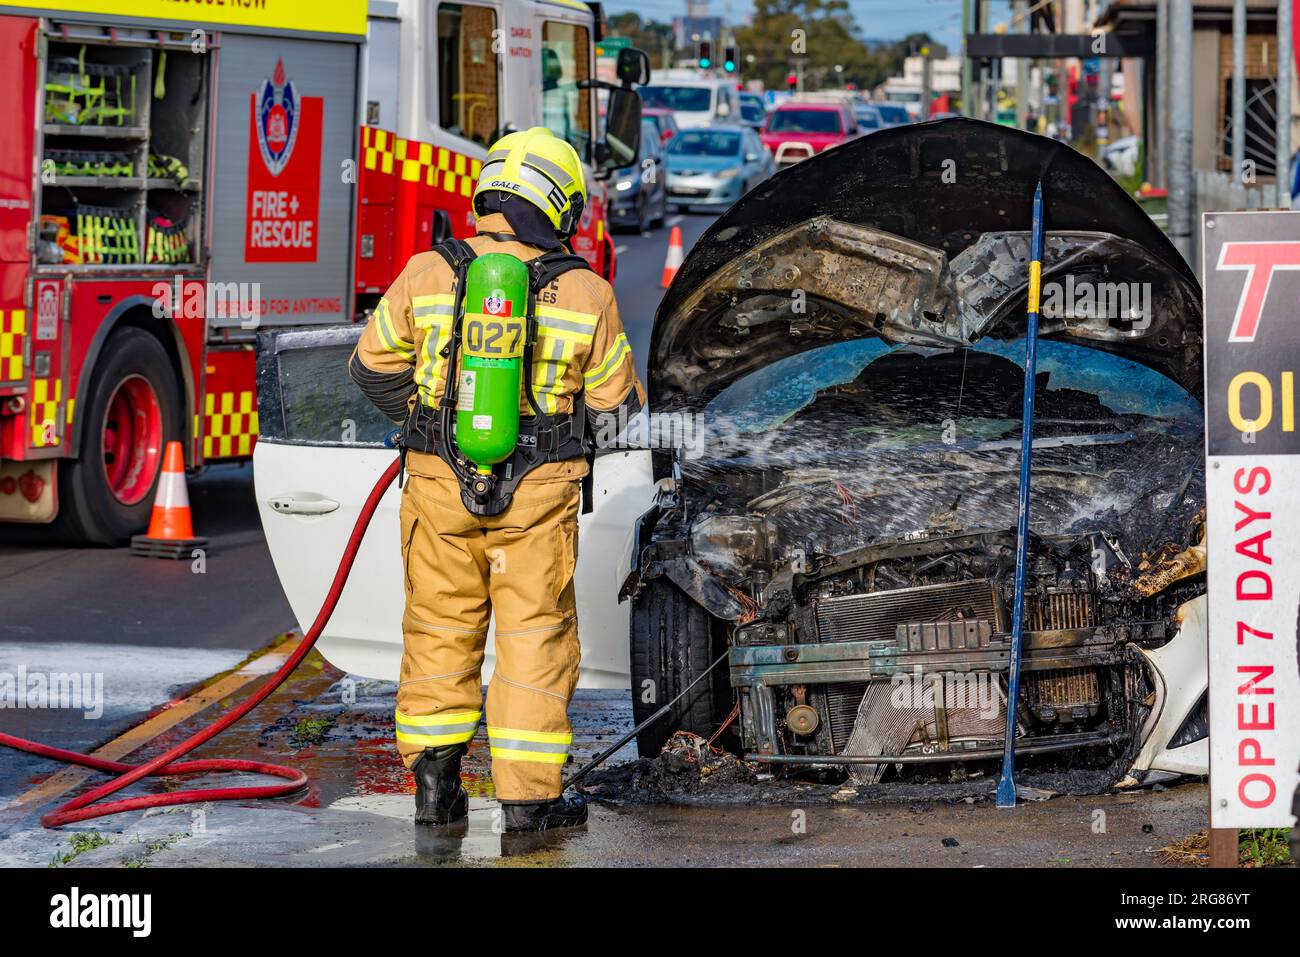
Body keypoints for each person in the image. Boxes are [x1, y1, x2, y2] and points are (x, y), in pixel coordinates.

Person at [349, 127, 644, 832]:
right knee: (534, 639)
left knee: (438, 629)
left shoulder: (426, 272)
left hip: (436, 491)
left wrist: (428, 431)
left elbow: (369, 368)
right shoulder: (586, 291)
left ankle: (435, 793)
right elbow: (618, 411)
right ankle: (527, 804)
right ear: (558, 205)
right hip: (537, 499)